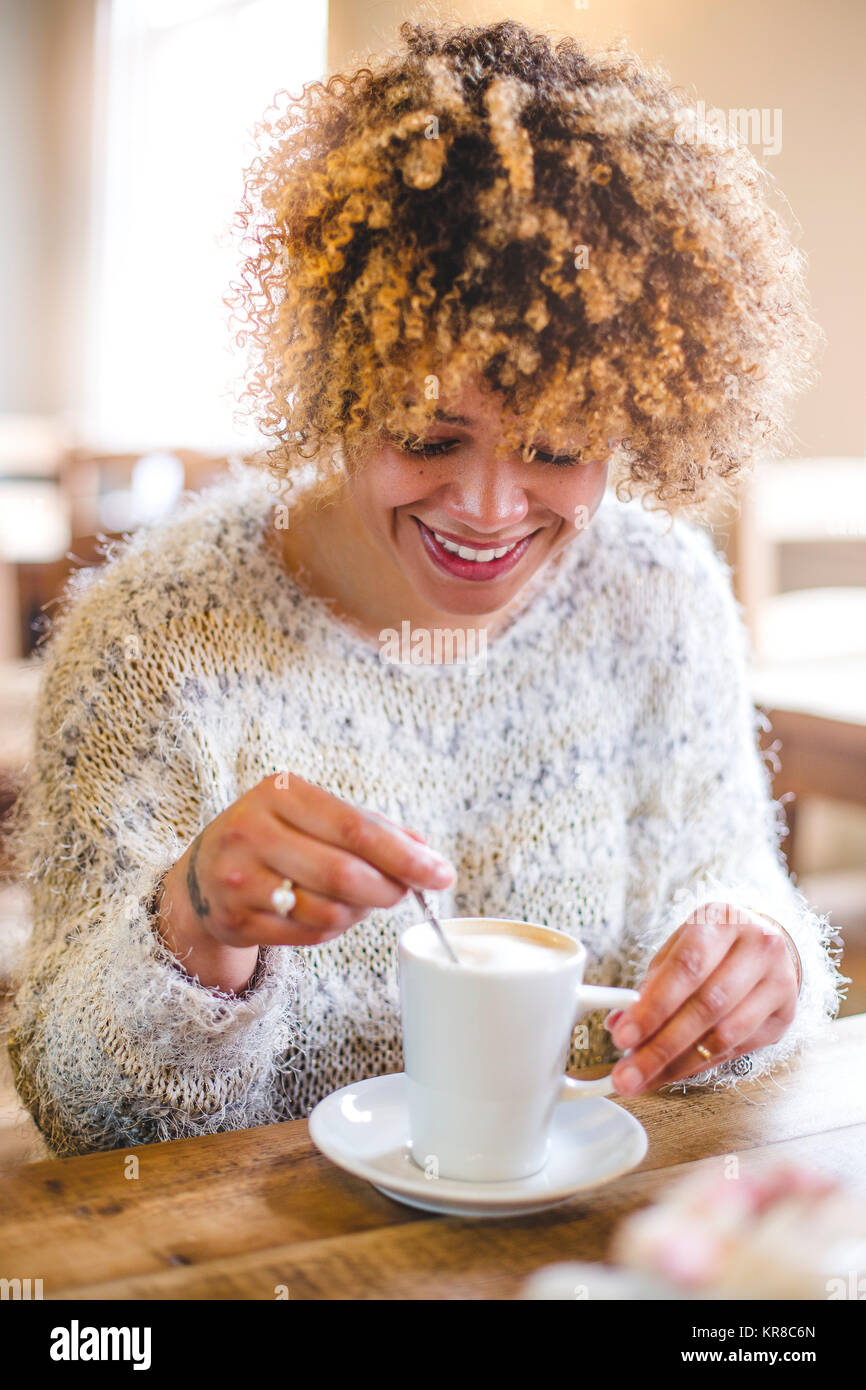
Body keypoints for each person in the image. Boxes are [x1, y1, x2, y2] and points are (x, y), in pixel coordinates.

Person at [6, 19, 845, 1156]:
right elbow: (79, 1110)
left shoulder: (658, 595)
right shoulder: (151, 638)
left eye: (555, 449)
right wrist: (194, 926)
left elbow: (722, 876)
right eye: (426, 432)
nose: (489, 508)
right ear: (337, 380)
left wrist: (760, 957)